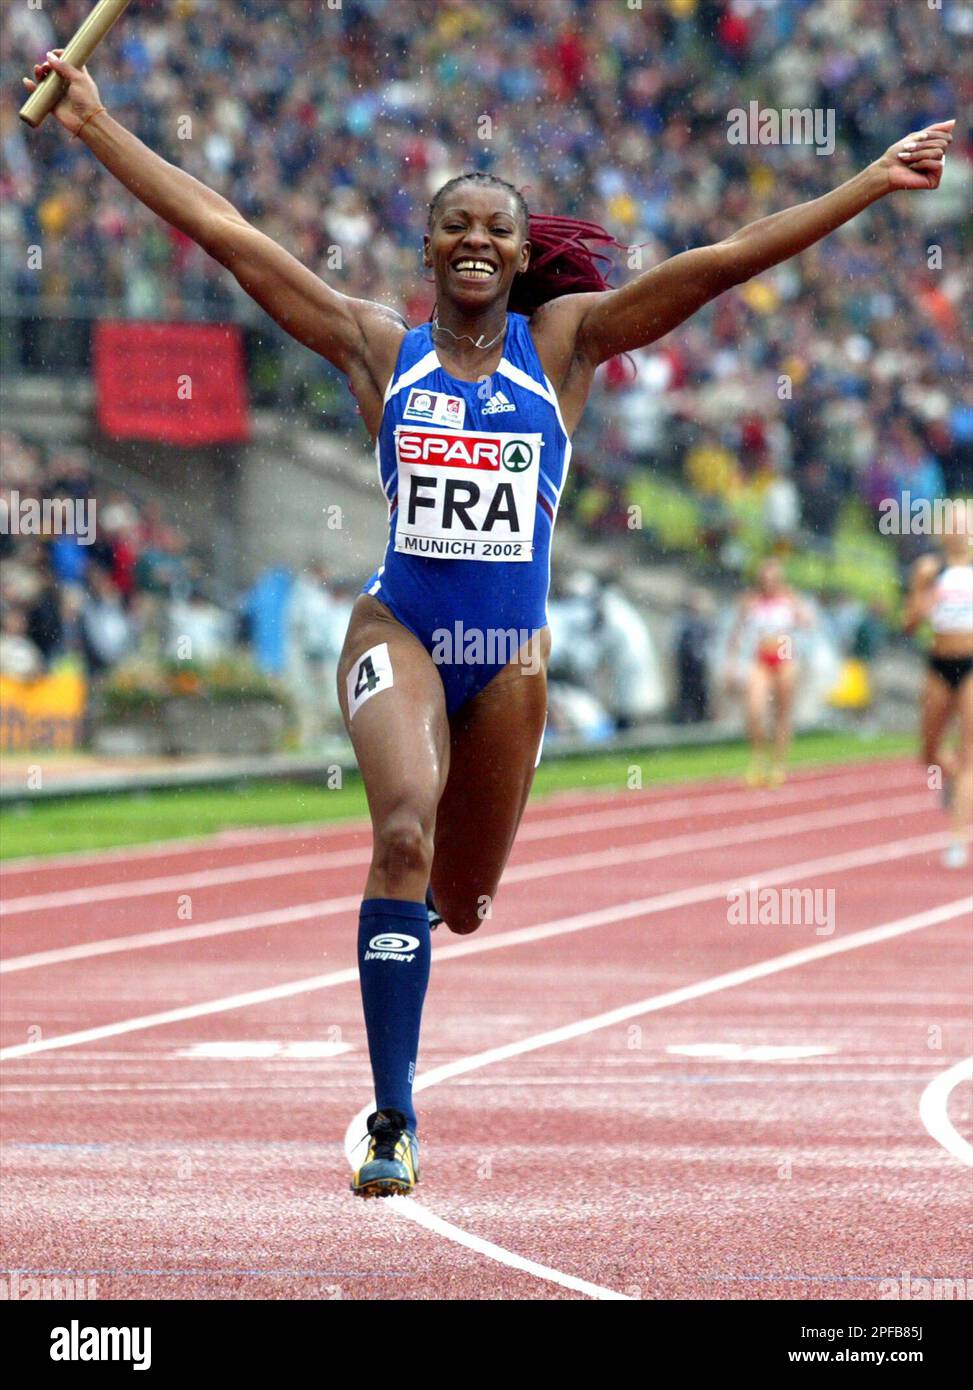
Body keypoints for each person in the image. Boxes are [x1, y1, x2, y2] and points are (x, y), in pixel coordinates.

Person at [23, 48, 953, 1196]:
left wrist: (863, 183)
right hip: (398, 627)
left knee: (460, 903)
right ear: (426, 249)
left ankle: (421, 985)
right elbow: (229, 236)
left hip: (507, 661)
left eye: (495, 229)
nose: (474, 239)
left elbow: (714, 266)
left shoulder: (562, 353)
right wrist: (100, 127)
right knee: (402, 833)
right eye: (453, 224)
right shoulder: (380, 347)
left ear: (520, 257)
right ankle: (392, 1119)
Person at [903, 502, 973, 869]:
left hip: (971, 665)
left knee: (969, 754)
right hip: (938, 664)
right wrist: (923, 604)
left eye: (965, 524)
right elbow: (909, 624)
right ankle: (952, 782)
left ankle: (958, 839)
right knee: (928, 753)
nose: (958, 530)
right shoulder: (929, 570)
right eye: (953, 523)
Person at [724, 560, 814, 786]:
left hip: (784, 658)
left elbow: (807, 623)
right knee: (754, 710)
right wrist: (731, 664)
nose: (769, 584)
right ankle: (758, 757)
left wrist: (799, 612)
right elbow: (736, 633)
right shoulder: (750, 601)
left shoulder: (789, 598)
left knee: (781, 714)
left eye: (773, 580)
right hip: (761, 659)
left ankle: (778, 762)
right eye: (765, 580)